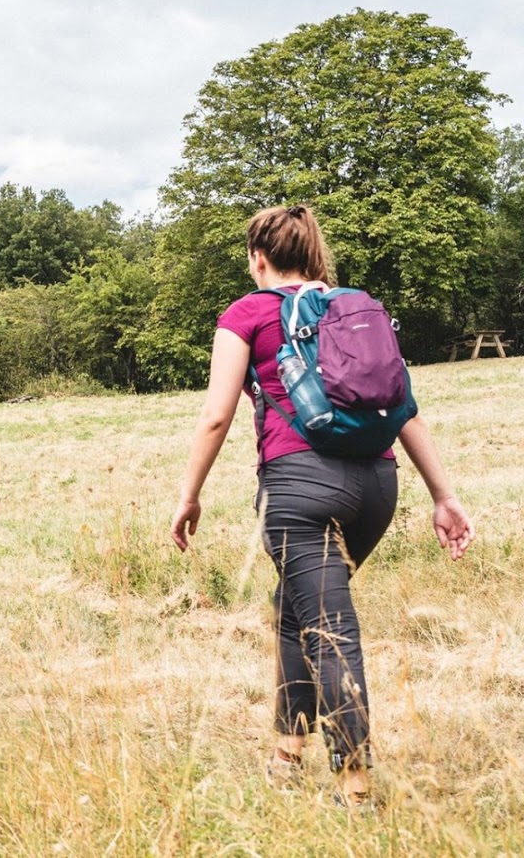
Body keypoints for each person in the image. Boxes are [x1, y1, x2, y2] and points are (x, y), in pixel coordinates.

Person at [169, 204, 475, 807]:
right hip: (377, 489)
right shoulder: (355, 306)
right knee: (295, 609)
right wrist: (443, 494)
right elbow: (401, 405)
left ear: (259, 257)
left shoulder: (247, 313)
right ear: (312, 252)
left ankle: (355, 783)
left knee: (328, 627)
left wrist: (188, 494)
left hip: (300, 490)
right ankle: (287, 749)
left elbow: (216, 415)